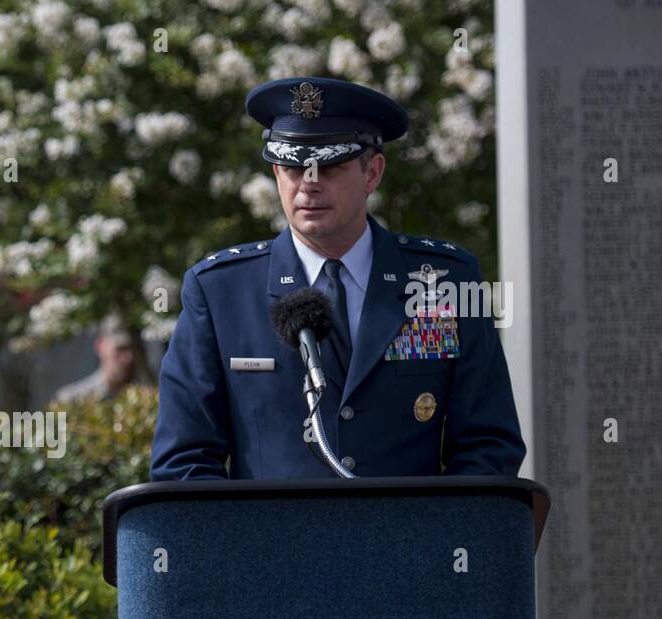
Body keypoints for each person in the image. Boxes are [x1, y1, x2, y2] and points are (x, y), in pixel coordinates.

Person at [149, 76, 525, 480]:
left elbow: (489, 445)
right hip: (274, 542)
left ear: (372, 173)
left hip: (408, 540)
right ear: (276, 172)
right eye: (293, 167)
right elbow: (183, 462)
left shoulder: (444, 282)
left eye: (329, 167)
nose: (308, 185)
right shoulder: (220, 291)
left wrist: (431, 536)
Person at [52, 315, 143, 405]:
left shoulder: (146, 400)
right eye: (121, 349)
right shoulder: (71, 400)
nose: (129, 358)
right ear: (99, 346)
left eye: (136, 350)